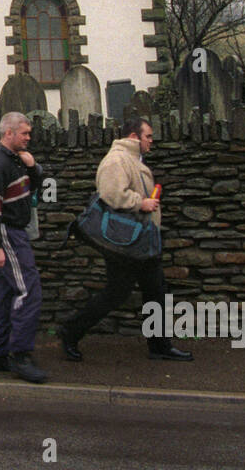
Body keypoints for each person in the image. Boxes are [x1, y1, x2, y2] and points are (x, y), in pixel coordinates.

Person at [57, 117, 193, 362]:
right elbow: (111, 194)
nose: (151, 141)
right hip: (126, 241)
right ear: (134, 137)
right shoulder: (117, 159)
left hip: (140, 238)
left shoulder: (129, 159)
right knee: (118, 293)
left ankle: (159, 346)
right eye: (148, 136)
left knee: (155, 291)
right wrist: (140, 203)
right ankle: (70, 330)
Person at [0, 111, 49, 384]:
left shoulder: (16, 160)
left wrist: (32, 168)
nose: (28, 138)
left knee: (6, 294)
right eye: (25, 133)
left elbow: (37, 189)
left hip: (12, 233)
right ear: (8, 133)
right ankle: (20, 356)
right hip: (7, 233)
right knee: (28, 291)